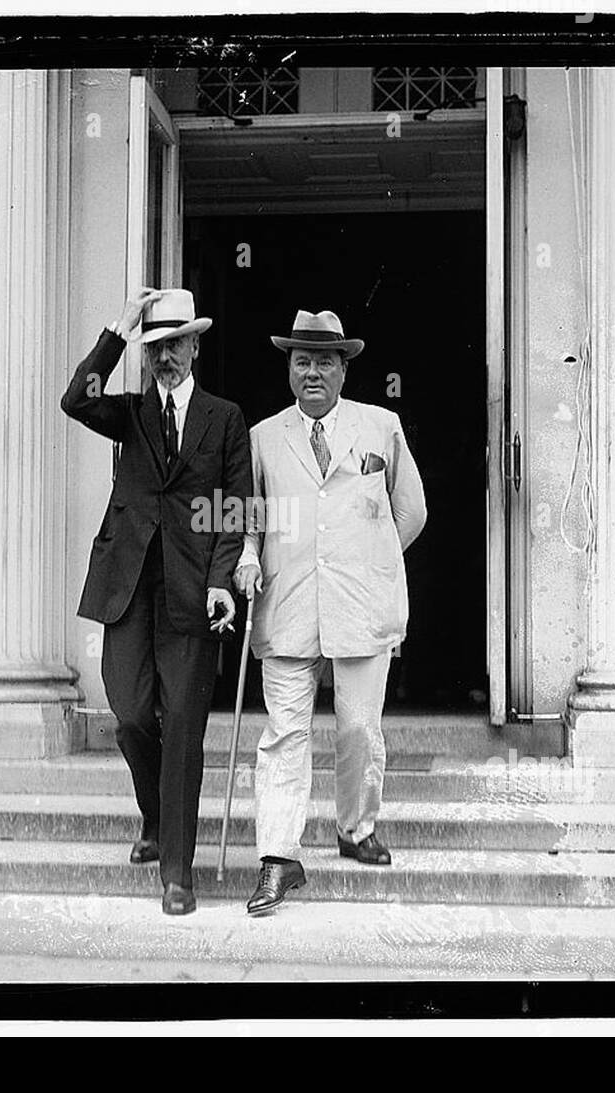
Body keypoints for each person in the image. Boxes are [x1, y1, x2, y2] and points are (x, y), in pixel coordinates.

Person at [61, 287, 251, 915]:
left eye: (175, 344)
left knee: (185, 733)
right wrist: (118, 330)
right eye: (155, 347)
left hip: (195, 592)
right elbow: (75, 399)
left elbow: (234, 509)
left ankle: (178, 870)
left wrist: (223, 578)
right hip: (128, 588)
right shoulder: (131, 413)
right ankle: (154, 812)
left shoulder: (224, 419)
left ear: (196, 346)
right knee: (133, 714)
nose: (166, 356)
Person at [233, 309, 427, 915]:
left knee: (358, 730)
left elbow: (411, 512)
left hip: (362, 605)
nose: (312, 372)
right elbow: (249, 515)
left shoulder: (381, 426)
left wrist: (367, 558)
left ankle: (355, 828)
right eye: (301, 361)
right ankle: (279, 857)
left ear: (344, 368)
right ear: (288, 369)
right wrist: (245, 555)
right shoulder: (263, 436)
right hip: (287, 603)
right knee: (283, 733)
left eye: (324, 361)